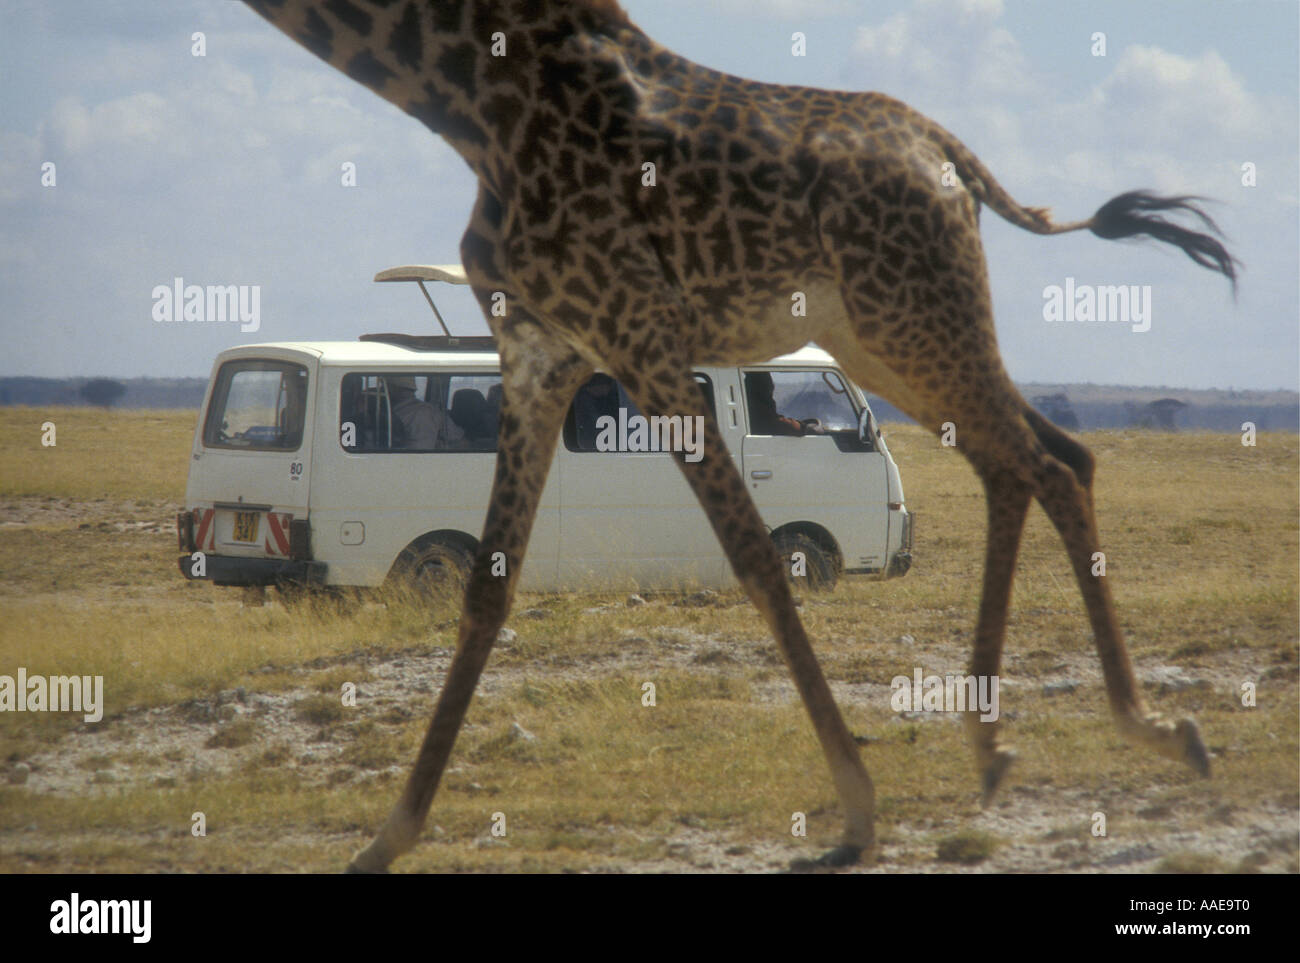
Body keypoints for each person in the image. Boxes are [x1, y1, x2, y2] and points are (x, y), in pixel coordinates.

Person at [387, 375, 464, 450]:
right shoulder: (434, 411)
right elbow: (459, 439)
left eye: (385, 387)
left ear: (393, 388)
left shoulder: (391, 415)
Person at [745, 371, 806, 436]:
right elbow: (782, 425)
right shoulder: (763, 416)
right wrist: (801, 428)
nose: (772, 387)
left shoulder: (756, 411)